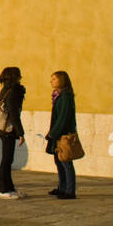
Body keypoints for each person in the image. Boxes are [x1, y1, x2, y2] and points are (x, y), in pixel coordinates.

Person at [45, 71, 78, 200]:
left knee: (66, 162)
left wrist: (53, 133)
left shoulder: (65, 96)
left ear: (62, 80)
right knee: (58, 161)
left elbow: (63, 118)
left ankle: (70, 191)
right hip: (58, 134)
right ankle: (62, 187)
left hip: (63, 134)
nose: (51, 81)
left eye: (54, 79)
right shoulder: (58, 95)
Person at [0, 66, 26, 199]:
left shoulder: (5, 89)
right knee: (7, 160)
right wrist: (20, 133)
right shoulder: (14, 91)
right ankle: (4, 190)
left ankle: (10, 188)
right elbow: (14, 114)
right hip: (8, 129)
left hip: (3, 128)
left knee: (8, 159)